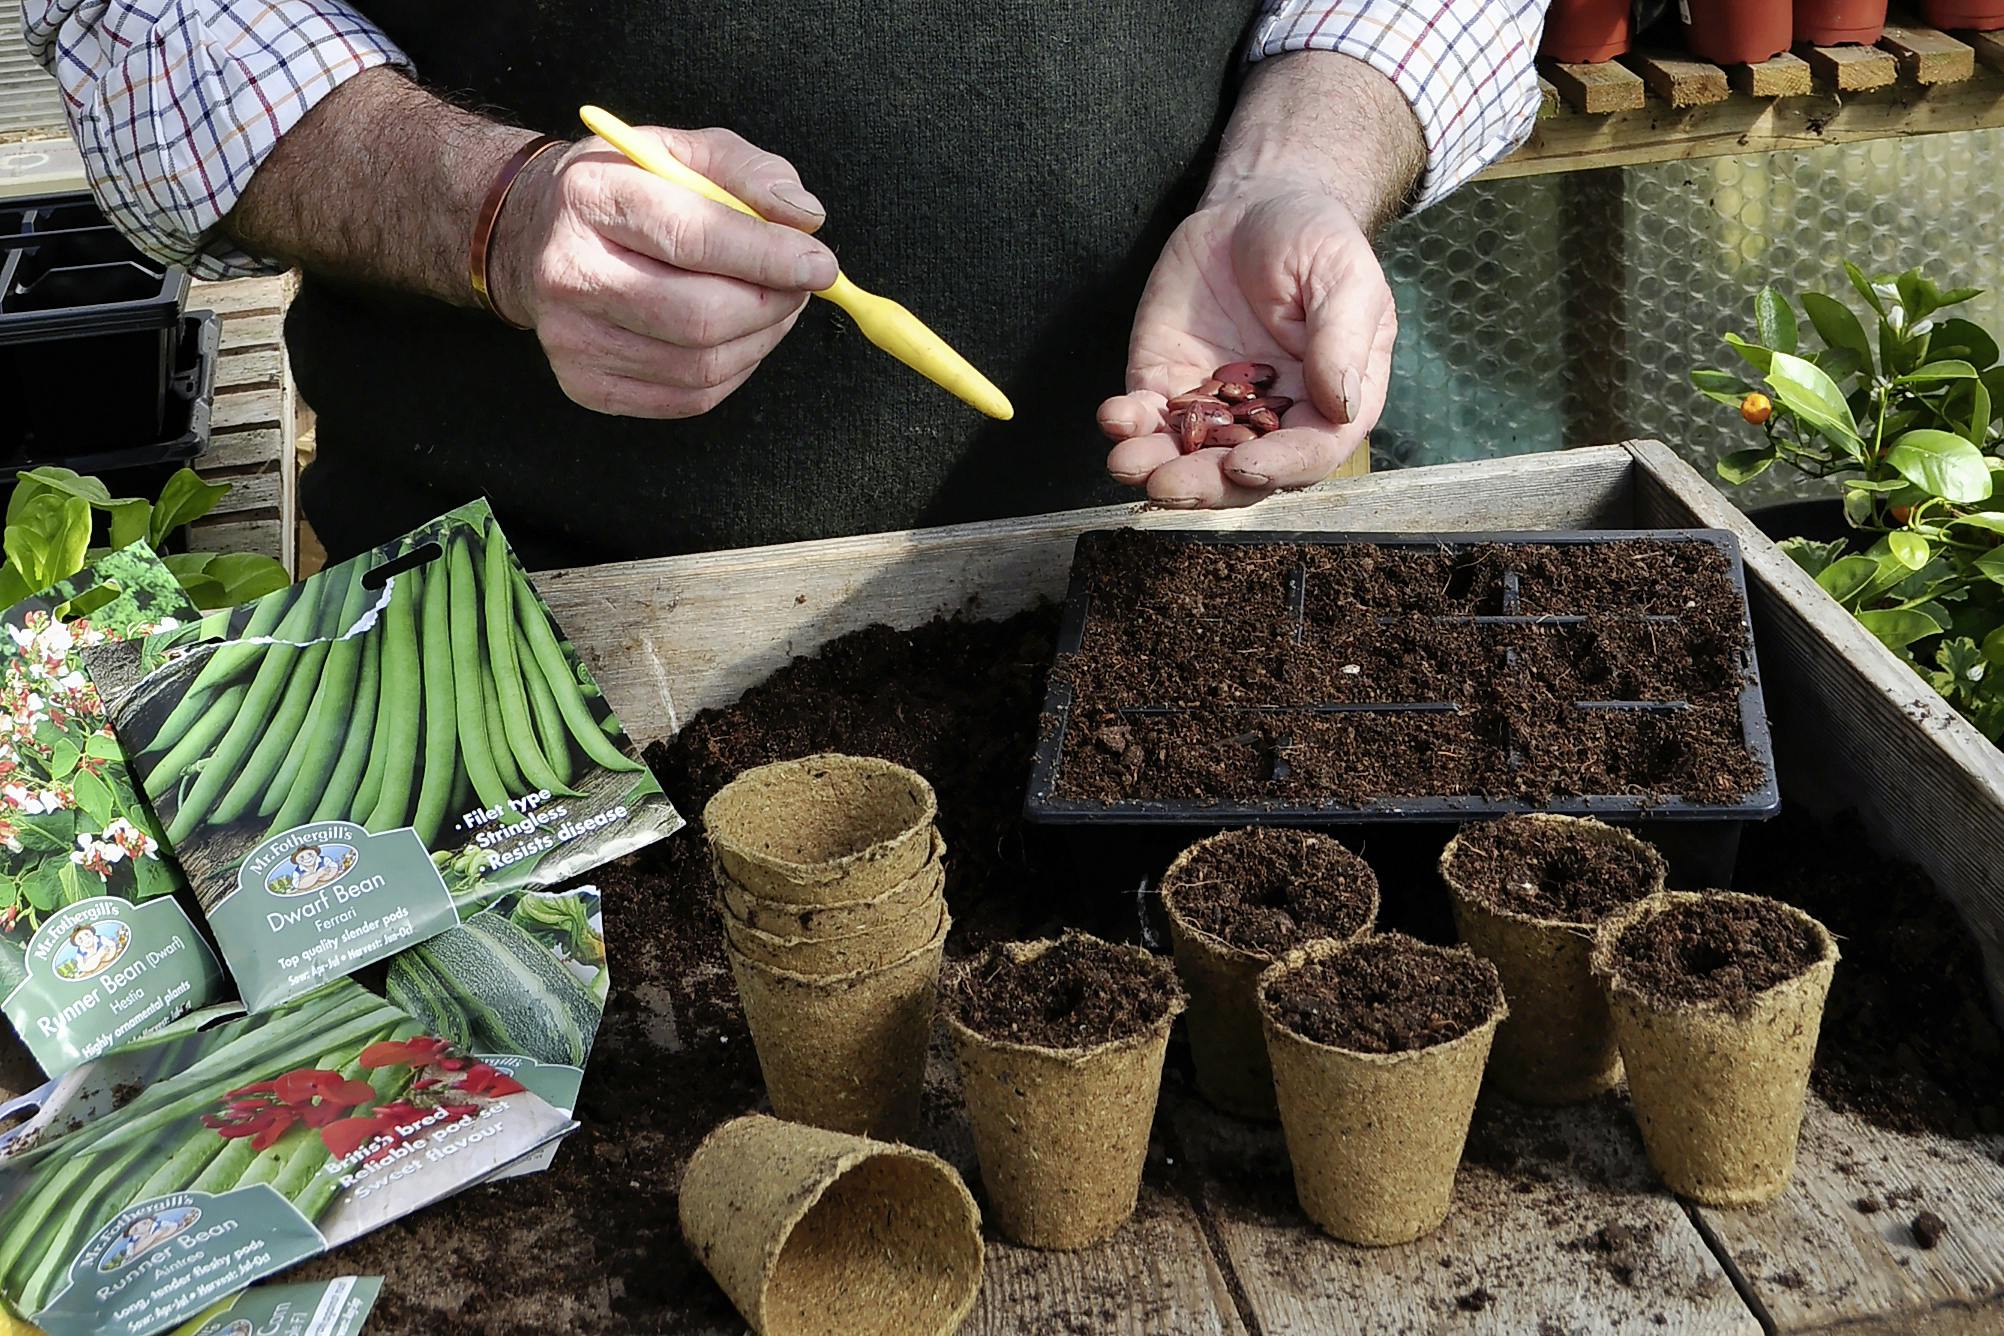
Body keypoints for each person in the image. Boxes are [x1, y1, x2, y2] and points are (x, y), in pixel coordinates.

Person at [26, 2, 1546, 569]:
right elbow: (144, 17)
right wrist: (487, 208)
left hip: (1143, 581)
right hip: (538, 658)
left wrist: (1300, 166)